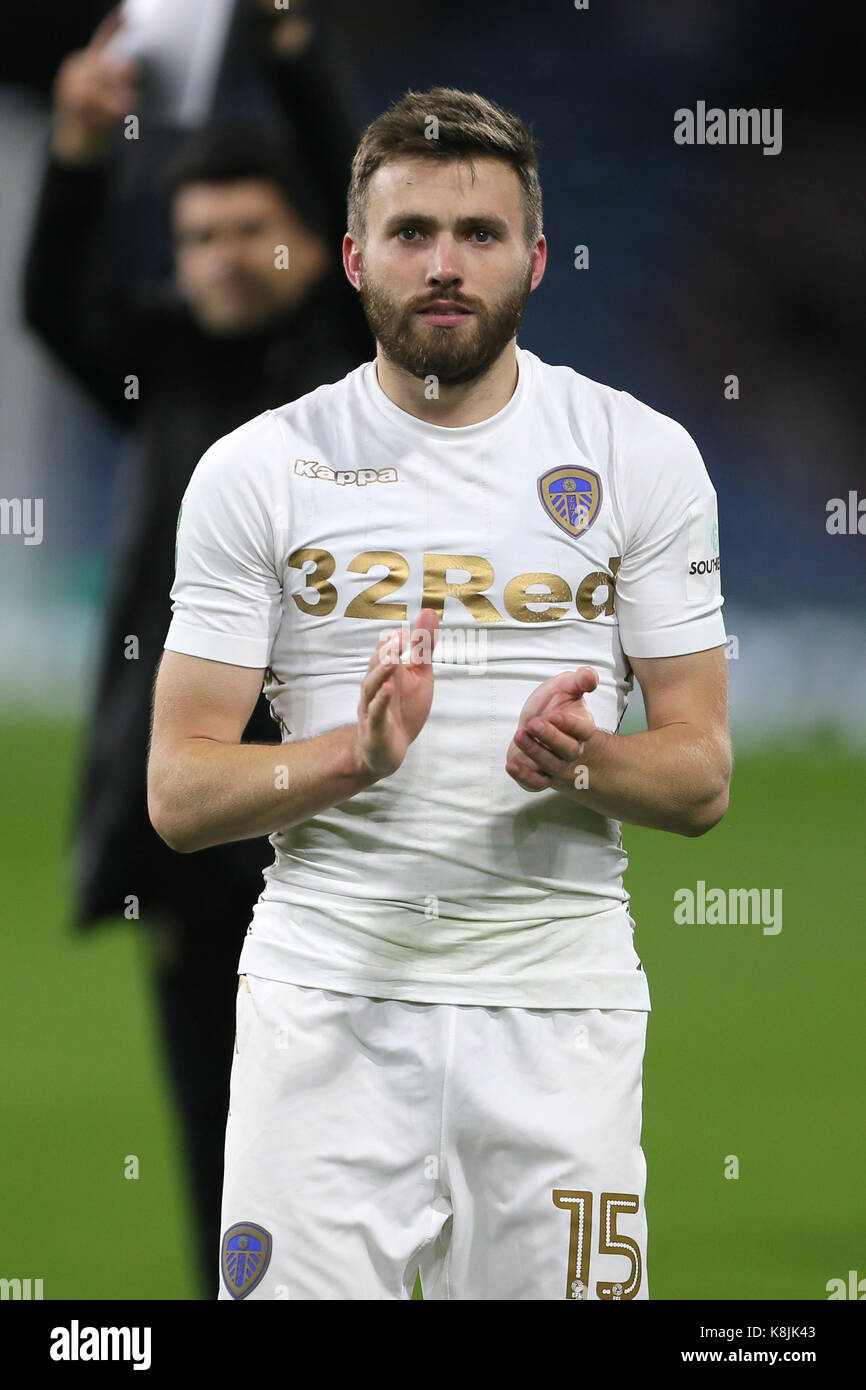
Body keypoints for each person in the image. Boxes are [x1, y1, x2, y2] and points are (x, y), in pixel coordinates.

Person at [147, 85, 731, 1301]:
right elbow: (180, 793)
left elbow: (699, 778)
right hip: (324, 1006)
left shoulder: (639, 455)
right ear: (354, 258)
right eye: (411, 232)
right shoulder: (258, 470)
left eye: (479, 233)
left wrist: (583, 760)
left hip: (556, 1010)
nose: (445, 265)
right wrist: (350, 758)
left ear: (536, 257)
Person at [21, 3, 371, 1292]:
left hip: (342, 802)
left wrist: (291, 54)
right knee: (216, 1130)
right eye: (196, 236)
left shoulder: (351, 365)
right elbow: (51, 305)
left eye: (247, 232)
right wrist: (75, 154)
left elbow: (367, 221)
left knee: (357, 1136)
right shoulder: (160, 360)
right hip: (186, 806)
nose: (220, 259)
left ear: (315, 243)